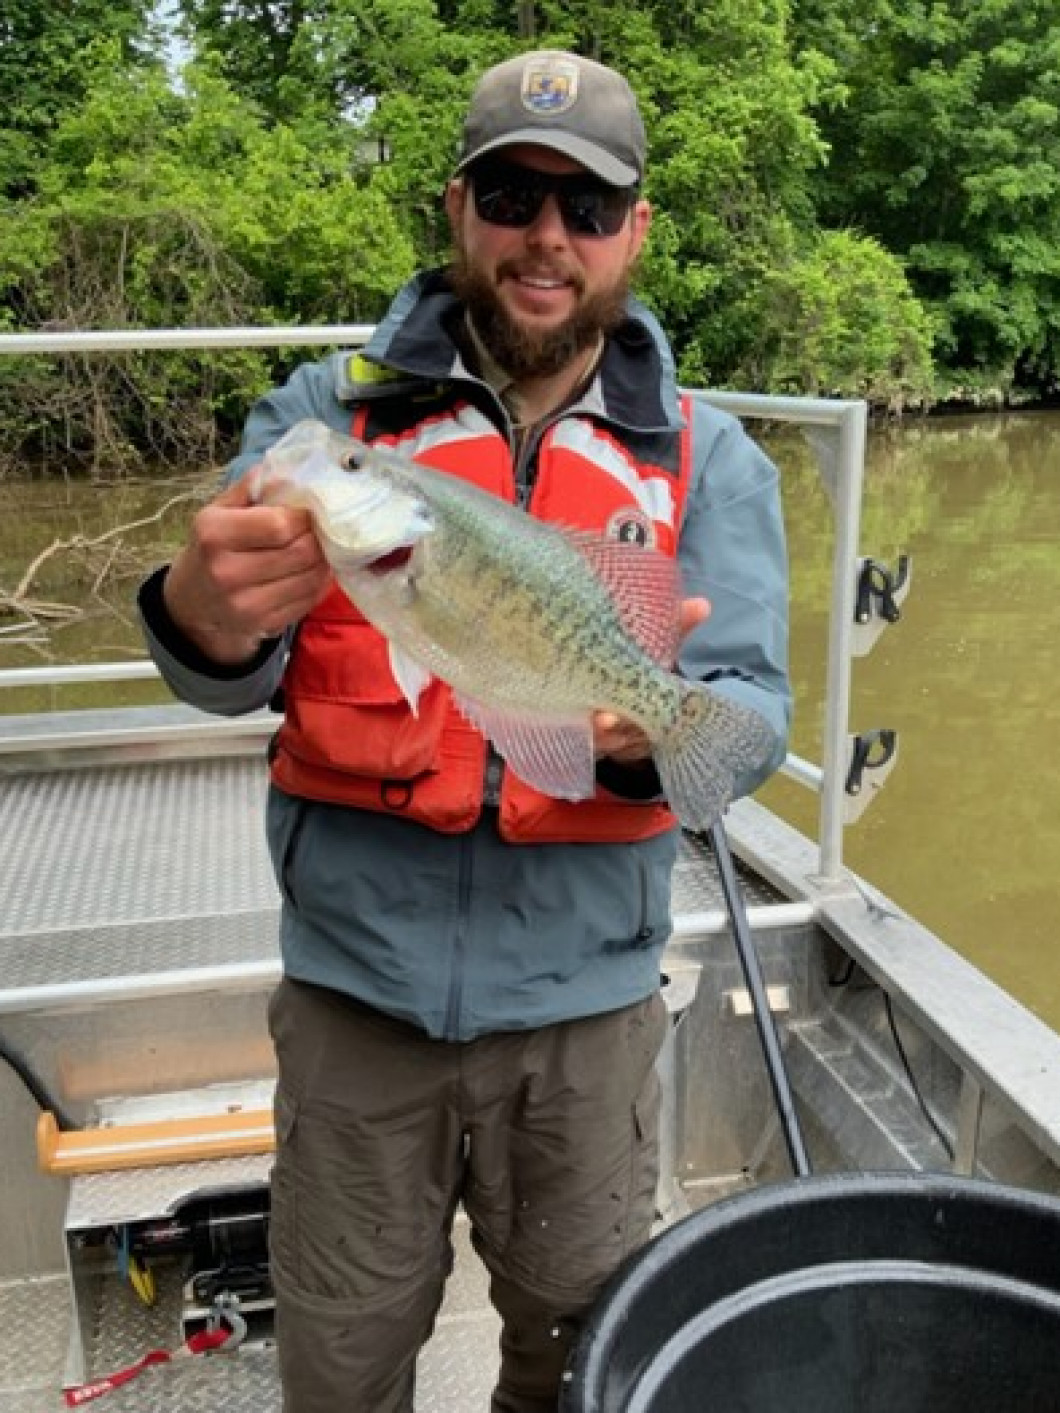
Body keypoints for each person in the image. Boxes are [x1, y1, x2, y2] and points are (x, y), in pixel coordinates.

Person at [138, 48, 791, 1413]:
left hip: (588, 1026)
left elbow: (749, 719)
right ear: (458, 208)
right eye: (512, 193)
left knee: (577, 1362)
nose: (548, 237)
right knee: (342, 1361)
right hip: (354, 1010)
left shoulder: (711, 459)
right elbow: (221, 669)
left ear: (636, 234)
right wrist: (201, 607)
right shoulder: (327, 420)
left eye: (589, 208)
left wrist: (649, 730)